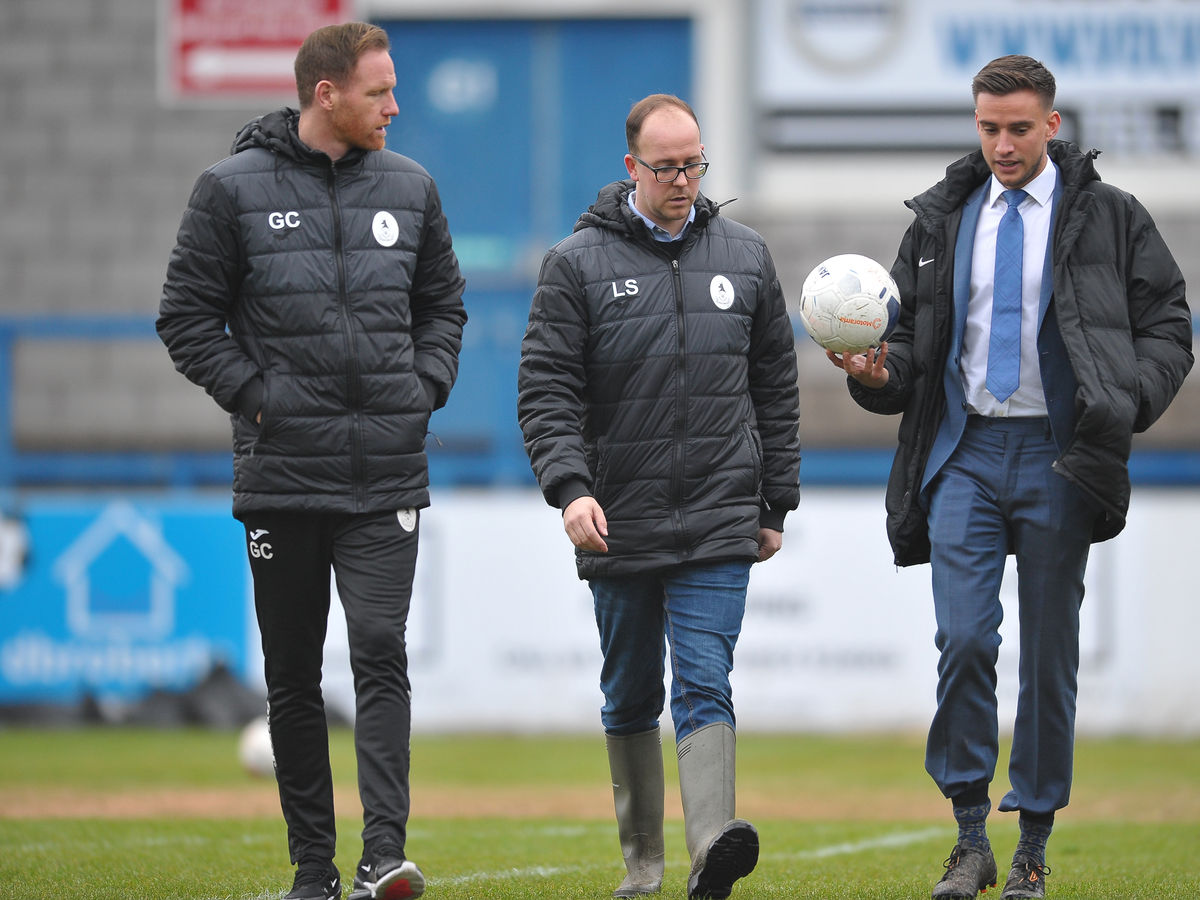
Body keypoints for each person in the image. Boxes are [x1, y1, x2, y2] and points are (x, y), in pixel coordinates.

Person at [828, 55, 1192, 899]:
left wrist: (1124, 398)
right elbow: (909, 344)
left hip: (1063, 456)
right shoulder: (942, 218)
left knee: (1049, 654)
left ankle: (1030, 844)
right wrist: (878, 373)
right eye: (988, 127)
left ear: (1053, 125)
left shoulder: (1111, 216)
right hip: (963, 453)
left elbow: (1168, 322)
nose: (1001, 144)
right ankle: (968, 839)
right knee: (963, 641)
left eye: (1018, 128)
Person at [157, 22, 466, 900]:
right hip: (282, 476)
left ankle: (384, 857)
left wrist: (426, 385)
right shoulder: (228, 190)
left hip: (384, 474)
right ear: (325, 94)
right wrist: (260, 399)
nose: (396, 107)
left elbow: (444, 305)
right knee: (293, 674)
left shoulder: (413, 189)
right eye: (380, 92)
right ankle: (312, 872)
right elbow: (184, 320)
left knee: (379, 648)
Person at [517, 94, 802, 900]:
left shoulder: (746, 257)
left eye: (695, 164)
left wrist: (773, 502)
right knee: (632, 691)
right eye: (667, 166)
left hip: (719, 515)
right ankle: (643, 866)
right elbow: (546, 391)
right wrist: (570, 490)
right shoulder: (574, 263)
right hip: (618, 518)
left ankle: (713, 847)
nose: (684, 180)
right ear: (630, 168)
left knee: (706, 680)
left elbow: (775, 389)